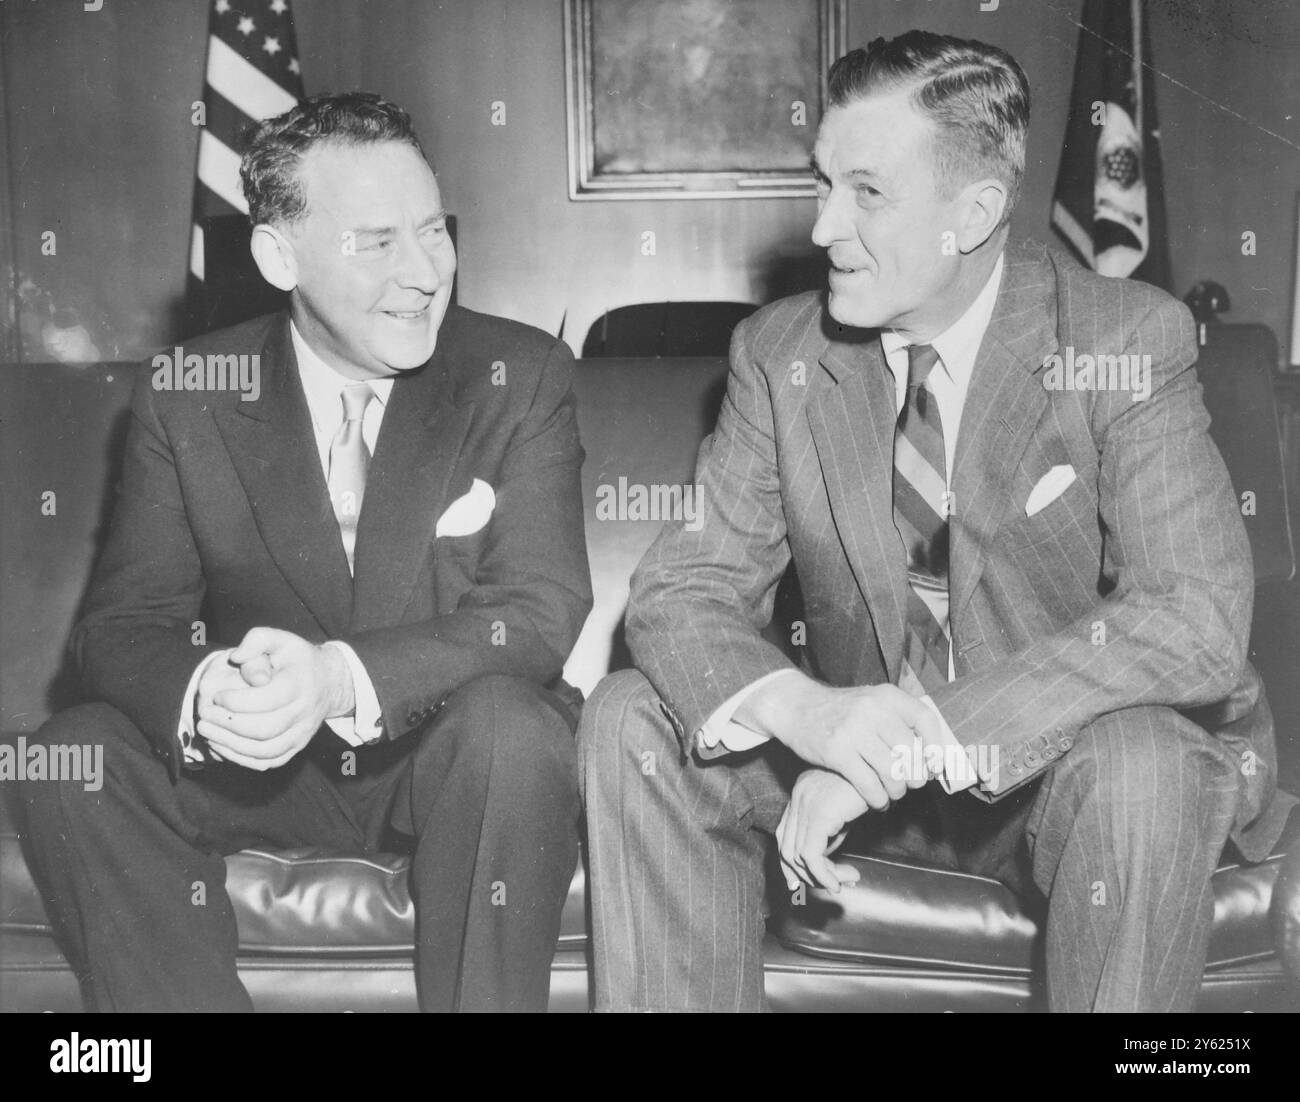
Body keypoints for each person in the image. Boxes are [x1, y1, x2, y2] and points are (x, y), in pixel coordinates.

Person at [578, 31, 1293, 1013]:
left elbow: (1195, 614)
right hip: (844, 752)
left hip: (1058, 769)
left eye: (866, 193)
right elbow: (678, 586)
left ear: (974, 212)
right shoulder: (778, 354)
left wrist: (919, 744)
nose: (824, 227)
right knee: (629, 715)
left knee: (1144, 760)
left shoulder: (1124, 340)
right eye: (822, 183)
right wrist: (807, 712)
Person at [20, 92, 591, 1013]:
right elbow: (121, 628)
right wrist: (213, 694)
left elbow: (537, 613)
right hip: (261, 771)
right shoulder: (189, 392)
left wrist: (336, 678)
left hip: (448, 758)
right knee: (75, 754)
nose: (424, 273)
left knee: (513, 729)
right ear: (278, 257)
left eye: (433, 231)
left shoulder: (518, 376)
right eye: (376, 243)